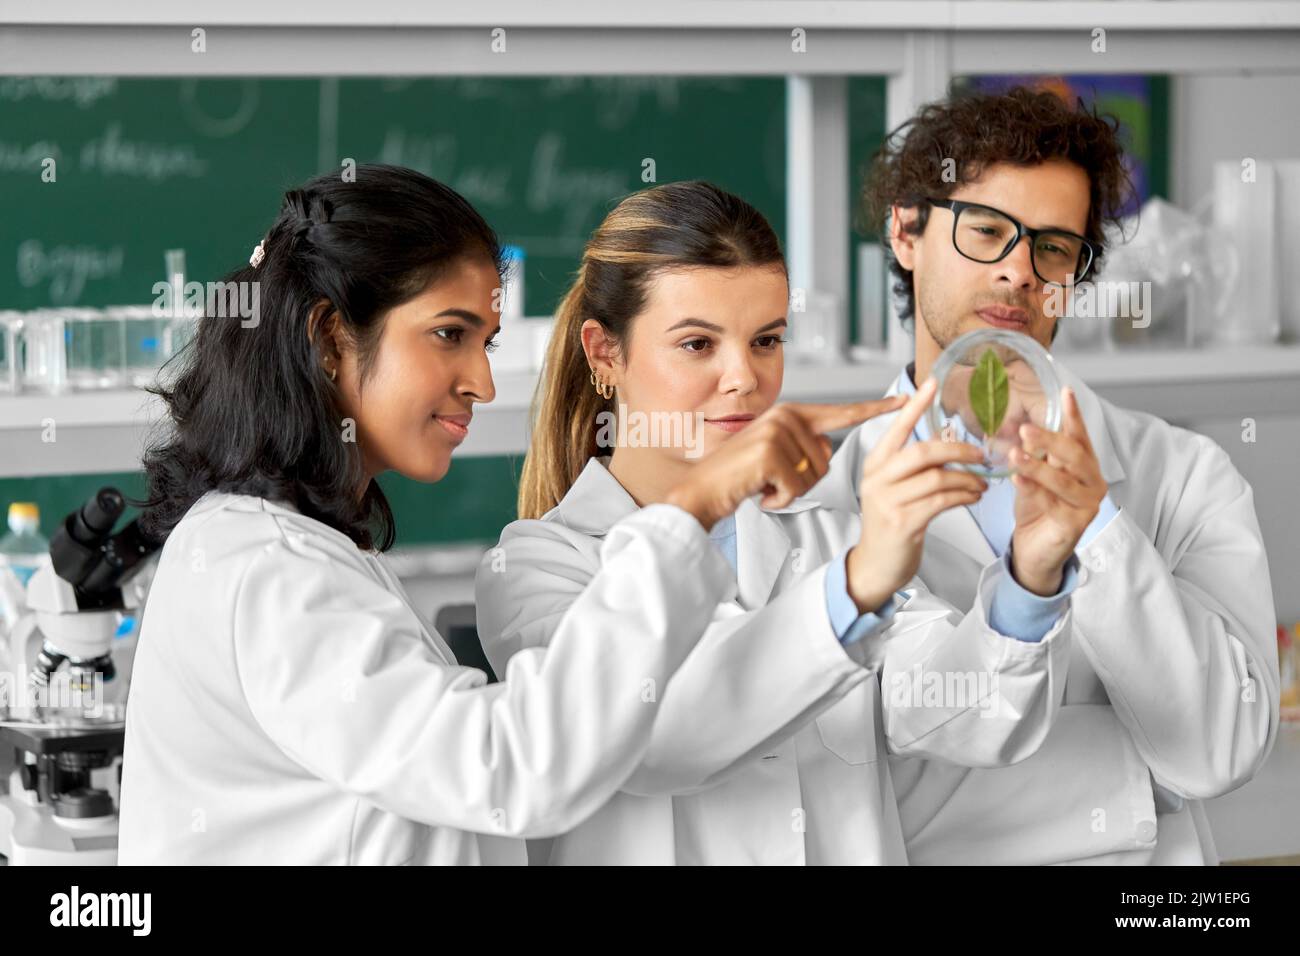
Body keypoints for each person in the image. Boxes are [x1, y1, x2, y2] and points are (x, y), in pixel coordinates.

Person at [117, 165, 848, 865]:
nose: (483, 383)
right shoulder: (265, 568)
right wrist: (693, 512)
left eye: (486, 342)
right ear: (332, 338)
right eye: (449, 334)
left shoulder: (285, 546)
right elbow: (512, 770)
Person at [476, 180, 1085, 865]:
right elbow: (660, 739)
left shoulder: (829, 538)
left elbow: (967, 717)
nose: (744, 378)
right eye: (698, 344)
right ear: (605, 353)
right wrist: (850, 593)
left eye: (766, 339)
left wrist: (1032, 577)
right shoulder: (534, 568)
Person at [813, 87, 1280, 864]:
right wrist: (1128, 766)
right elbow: (874, 755)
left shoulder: (1185, 475)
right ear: (905, 231)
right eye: (987, 231)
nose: (1019, 273)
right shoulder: (822, 492)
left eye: (1053, 248)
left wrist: (1097, 528)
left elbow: (1220, 751)